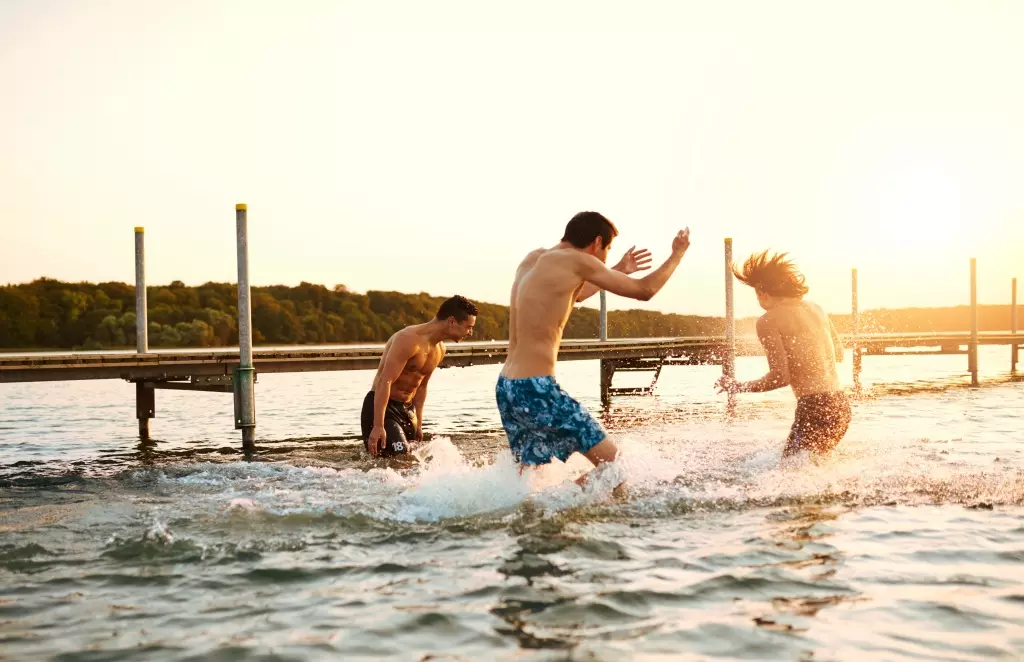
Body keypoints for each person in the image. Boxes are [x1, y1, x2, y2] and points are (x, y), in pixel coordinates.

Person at [497, 211, 691, 485]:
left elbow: (573, 293)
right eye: (608, 249)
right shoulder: (577, 260)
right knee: (615, 467)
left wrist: (619, 269)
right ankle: (564, 504)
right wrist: (677, 255)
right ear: (597, 242)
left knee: (528, 483)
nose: (605, 258)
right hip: (537, 388)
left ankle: (537, 519)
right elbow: (645, 290)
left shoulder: (535, 259)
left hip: (508, 388)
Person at [716, 250, 851, 457]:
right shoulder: (817, 309)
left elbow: (780, 377)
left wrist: (738, 386)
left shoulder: (768, 320)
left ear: (763, 292)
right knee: (812, 469)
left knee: (791, 472)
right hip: (840, 404)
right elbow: (839, 354)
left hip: (814, 406)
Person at [362, 295, 478, 457]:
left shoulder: (440, 350)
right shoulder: (408, 340)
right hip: (383, 407)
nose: (470, 332)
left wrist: (419, 423)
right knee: (402, 457)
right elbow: (385, 381)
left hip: (408, 410)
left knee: (412, 460)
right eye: (468, 327)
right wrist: (378, 425)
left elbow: (421, 387)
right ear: (452, 321)